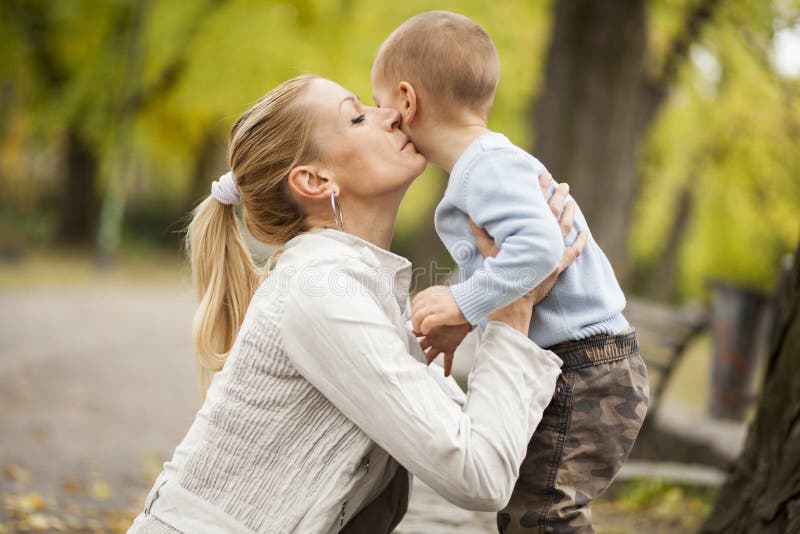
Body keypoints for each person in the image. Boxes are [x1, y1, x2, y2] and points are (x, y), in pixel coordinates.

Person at [127, 74, 586, 534]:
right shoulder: (318, 293)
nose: (393, 114)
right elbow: (478, 476)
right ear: (314, 179)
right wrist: (514, 305)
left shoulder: (359, 289)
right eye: (358, 116)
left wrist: (503, 283)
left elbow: (470, 440)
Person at [371, 11, 649, 533]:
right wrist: (464, 319)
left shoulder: (487, 169)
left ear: (407, 101)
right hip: (582, 362)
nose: (383, 120)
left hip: (584, 367)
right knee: (529, 509)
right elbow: (506, 263)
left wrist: (463, 302)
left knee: (541, 515)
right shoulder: (487, 167)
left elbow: (539, 250)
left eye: (381, 105)